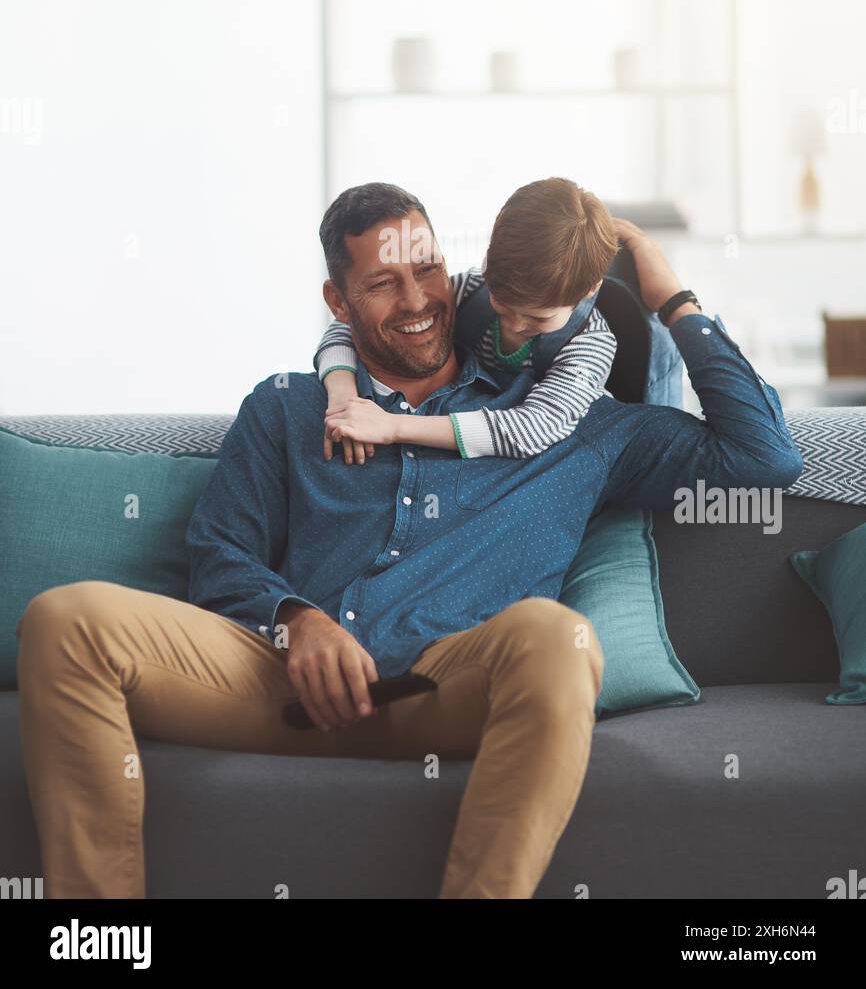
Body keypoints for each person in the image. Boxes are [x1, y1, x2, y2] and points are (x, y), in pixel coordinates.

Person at [15, 181, 803, 900]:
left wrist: (673, 297)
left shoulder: (585, 427)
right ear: (338, 299)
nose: (419, 299)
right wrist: (295, 619)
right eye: (383, 283)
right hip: (276, 683)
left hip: (444, 689)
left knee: (558, 639)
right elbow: (220, 557)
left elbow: (765, 458)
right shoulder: (291, 406)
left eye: (427, 270)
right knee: (64, 621)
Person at [318, 177, 618, 462]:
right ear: (487, 259)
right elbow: (349, 325)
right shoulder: (472, 289)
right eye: (502, 304)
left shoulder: (589, 343)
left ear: (589, 290)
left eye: (537, 318)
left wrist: (394, 426)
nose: (515, 325)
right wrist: (342, 393)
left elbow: (534, 428)